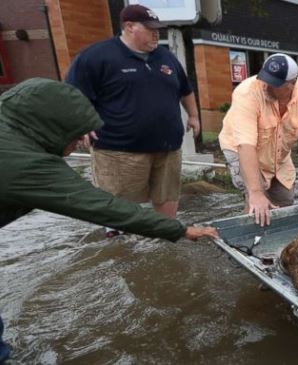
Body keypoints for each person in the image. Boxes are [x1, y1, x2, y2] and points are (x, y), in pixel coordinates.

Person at [0, 79, 220, 363]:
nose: (82, 141)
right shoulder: (24, 163)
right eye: (76, 134)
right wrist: (180, 229)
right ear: (52, 126)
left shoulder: (11, 129)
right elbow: (105, 208)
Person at [65, 4, 200, 235]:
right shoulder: (96, 57)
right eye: (150, 29)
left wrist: (194, 116)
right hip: (118, 151)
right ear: (129, 27)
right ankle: (119, 250)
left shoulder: (165, 56)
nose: (157, 34)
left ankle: (165, 240)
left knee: (167, 198)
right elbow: (72, 95)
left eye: (158, 29)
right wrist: (81, 125)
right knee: (119, 209)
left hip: (167, 148)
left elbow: (185, 90)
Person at [219, 53, 298, 226]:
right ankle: (248, 239)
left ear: (292, 84)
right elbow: (245, 145)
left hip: (279, 155)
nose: (266, 86)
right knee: (257, 202)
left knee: (285, 202)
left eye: (274, 84)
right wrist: (256, 192)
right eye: (265, 79)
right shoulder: (247, 93)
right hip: (239, 148)